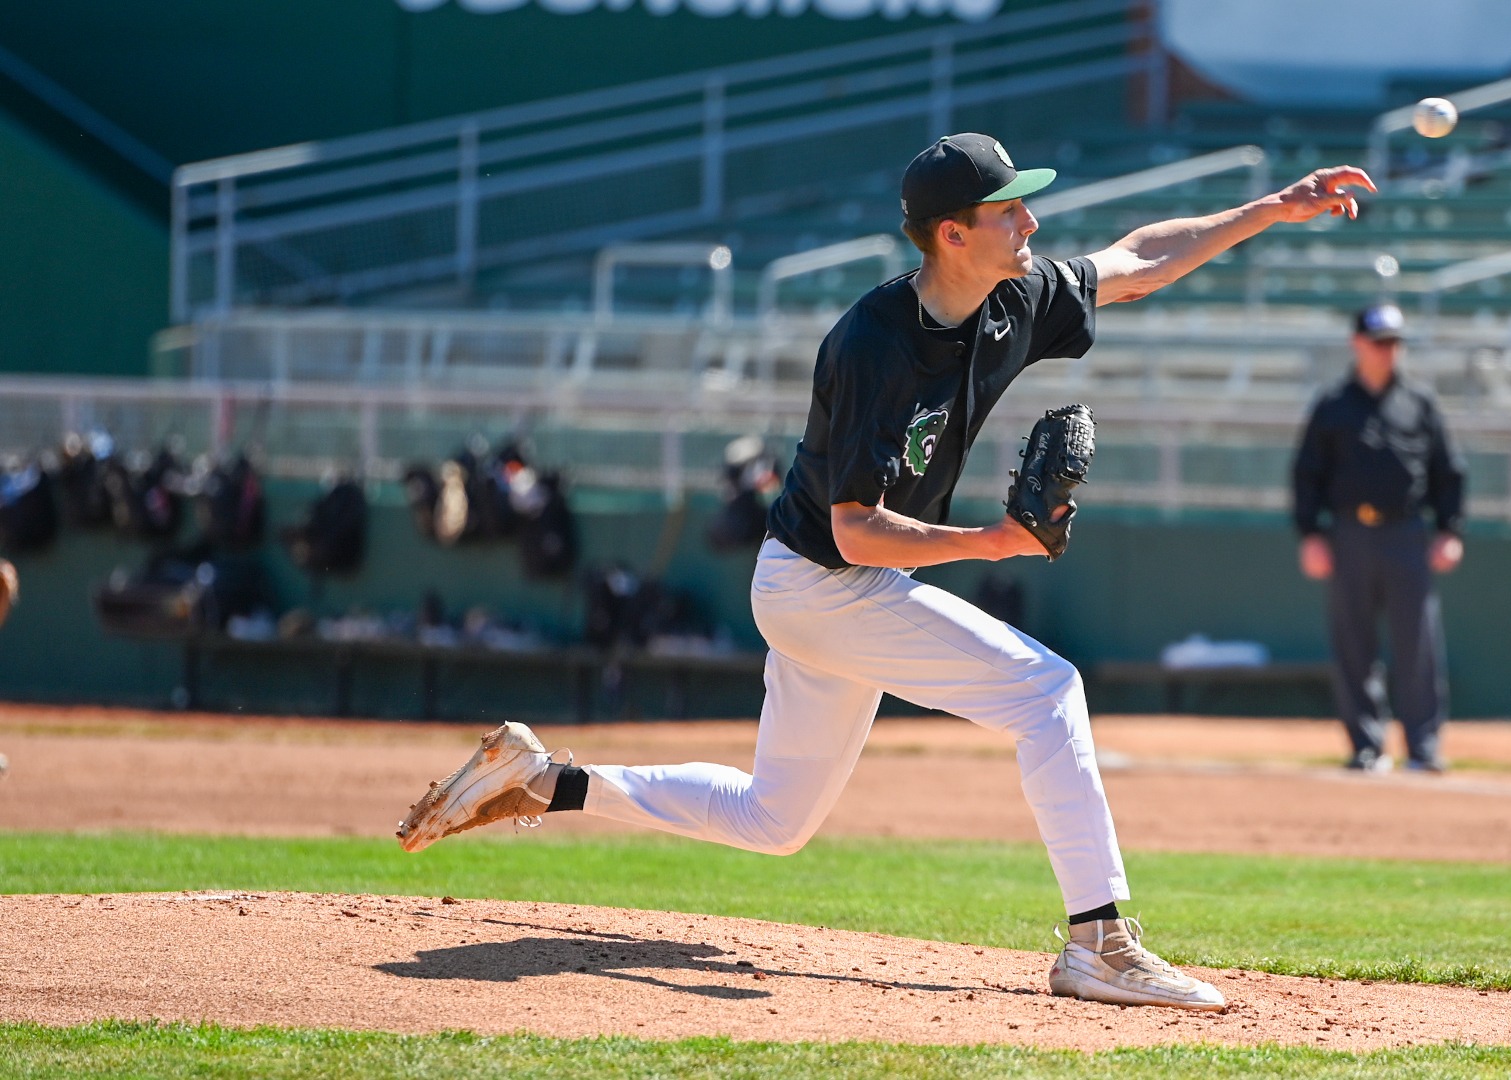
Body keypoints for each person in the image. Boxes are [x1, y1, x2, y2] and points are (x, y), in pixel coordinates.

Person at [398, 133, 1374, 1010]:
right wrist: (992, 543)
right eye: (1009, 210)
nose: (1031, 222)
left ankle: (547, 780)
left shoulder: (1014, 299)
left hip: (828, 592)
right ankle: (1100, 944)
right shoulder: (872, 346)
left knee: (774, 820)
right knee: (1048, 692)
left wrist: (1273, 208)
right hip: (825, 583)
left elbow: (1138, 262)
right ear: (952, 235)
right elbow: (859, 534)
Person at [1292, 302, 1466, 773]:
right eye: (1380, 342)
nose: (1389, 351)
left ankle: (1424, 746)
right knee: (1353, 644)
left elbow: (1447, 473)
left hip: (1406, 533)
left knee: (1418, 645)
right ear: (1358, 344)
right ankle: (1366, 745)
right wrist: (1311, 534)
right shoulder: (1333, 405)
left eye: (1394, 343)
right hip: (1348, 533)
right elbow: (1307, 475)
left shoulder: (1420, 402)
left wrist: (1450, 529)